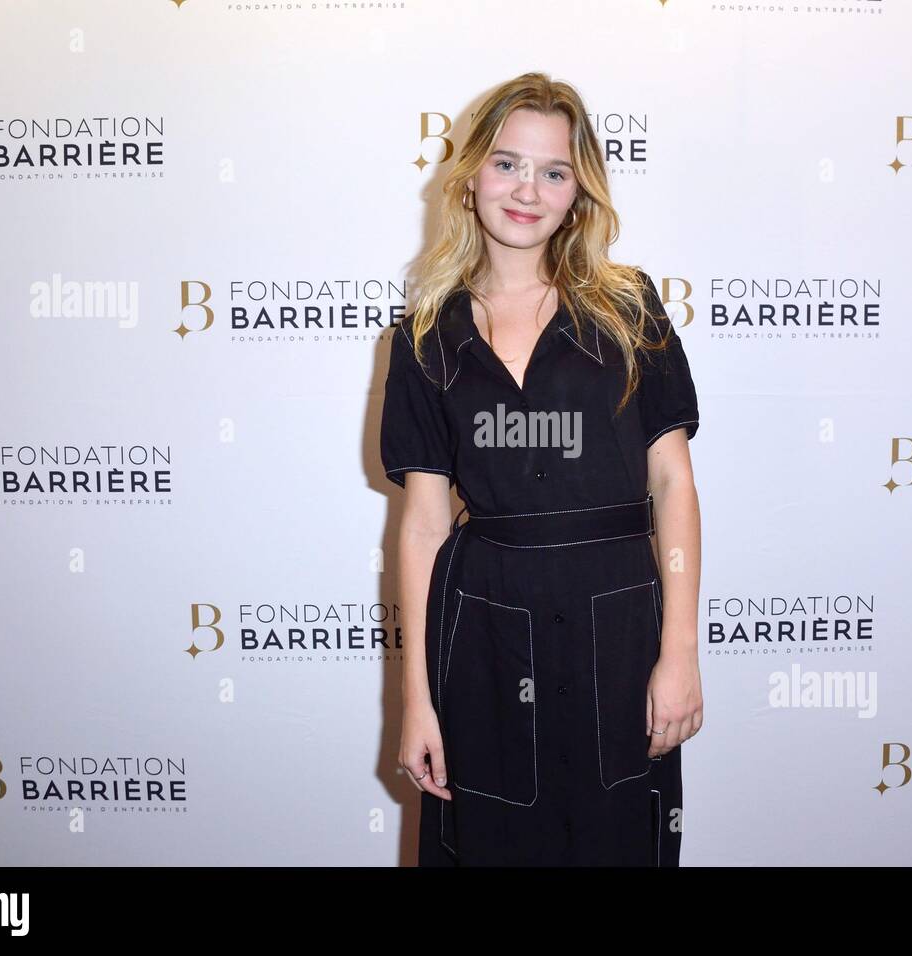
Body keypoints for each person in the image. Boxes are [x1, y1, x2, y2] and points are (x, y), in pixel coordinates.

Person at [380, 72, 704, 866]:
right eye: (507, 164)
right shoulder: (424, 337)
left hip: (620, 636)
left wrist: (680, 651)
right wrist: (417, 702)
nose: (528, 190)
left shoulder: (629, 309)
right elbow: (421, 525)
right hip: (484, 639)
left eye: (554, 171)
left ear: (578, 192)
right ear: (470, 177)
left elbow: (673, 484)